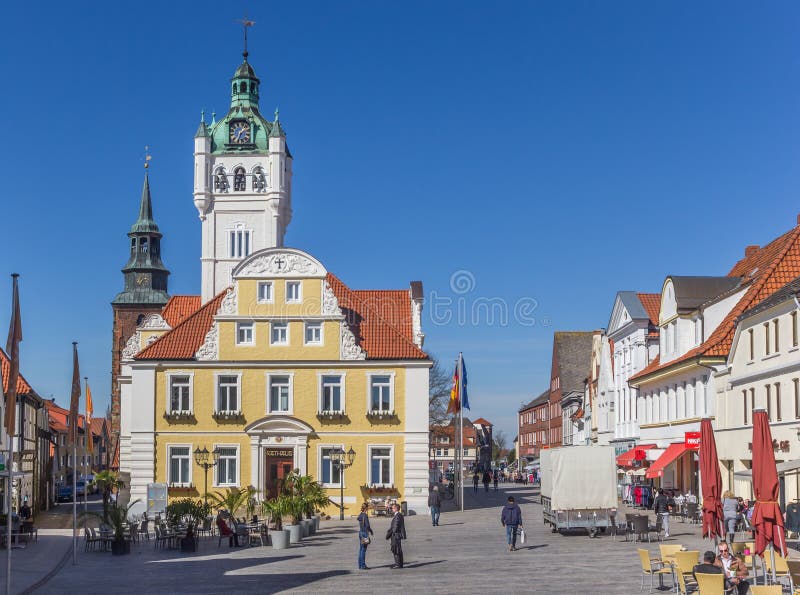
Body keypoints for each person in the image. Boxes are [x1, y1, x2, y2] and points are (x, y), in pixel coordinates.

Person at [387, 502, 406, 569]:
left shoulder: (397, 515)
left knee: (396, 549)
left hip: (396, 535)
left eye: (392, 508)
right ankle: (400, 564)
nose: (392, 509)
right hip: (397, 535)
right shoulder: (399, 515)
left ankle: (398, 564)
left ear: (396, 508)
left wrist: (392, 533)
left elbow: (396, 525)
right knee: (398, 549)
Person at [357, 503, 373, 570]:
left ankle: (360, 565)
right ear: (366, 508)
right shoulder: (365, 515)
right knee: (363, 550)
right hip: (365, 534)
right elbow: (367, 525)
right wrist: (371, 531)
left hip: (360, 533)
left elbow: (359, 519)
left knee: (361, 550)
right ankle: (363, 565)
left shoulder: (360, 515)